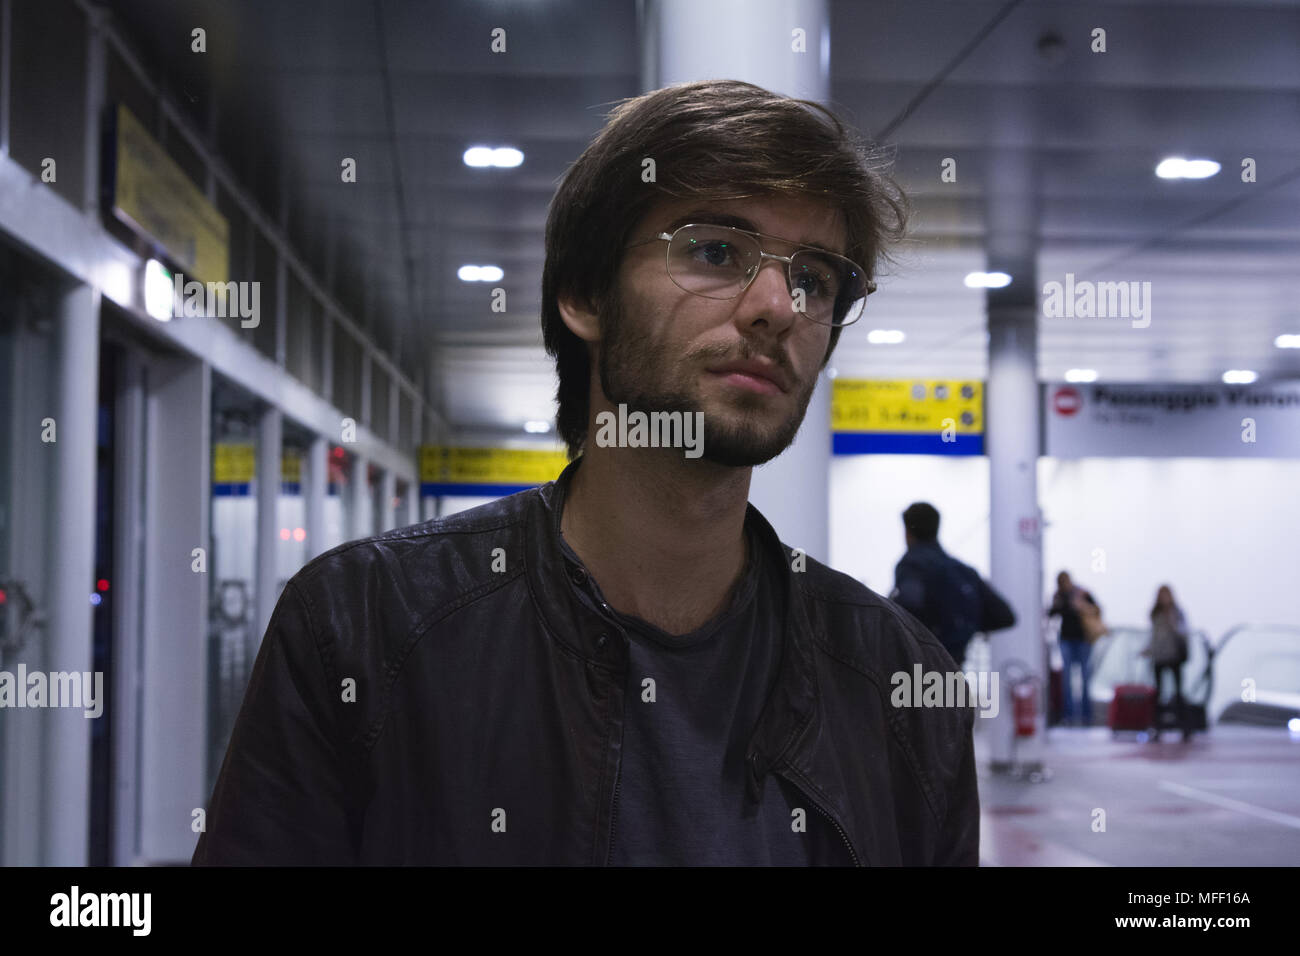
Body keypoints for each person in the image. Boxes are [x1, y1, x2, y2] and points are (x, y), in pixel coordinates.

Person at [193, 79, 979, 866]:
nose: (777, 303)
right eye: (715, 251)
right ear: (585, 292)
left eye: (814, 278)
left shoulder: (898, 685)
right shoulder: (366, 628)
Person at [891, 502, 1016, 667]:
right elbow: (1005, 616)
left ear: (907, 532)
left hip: (918, 671)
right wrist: (965, 628)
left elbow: (907, 611)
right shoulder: (963, 571)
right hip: (954, 666)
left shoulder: (911, 565)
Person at [1047, 571, 1101, 726]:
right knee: (1067, 679)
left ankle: (1086, 715)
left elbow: (1096, 609)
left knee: (1085, 677)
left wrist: (1081, 606)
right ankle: (1069, 715)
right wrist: (1060, 604)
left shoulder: (1081, 593)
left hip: (1083, 639)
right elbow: (1052, 613)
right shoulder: (1059, 596)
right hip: (1066, 639)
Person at [1142, 584, 1191, 741]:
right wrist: (1148, 650)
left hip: (1174, 656)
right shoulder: (1155, 613)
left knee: (1178, 692)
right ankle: (1157, 727)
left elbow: (1183, 632)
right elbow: (1154, 635)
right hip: (1159, 657)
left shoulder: (1177, 613)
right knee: (1158, 693)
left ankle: (1184, 726)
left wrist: (1172, 621)